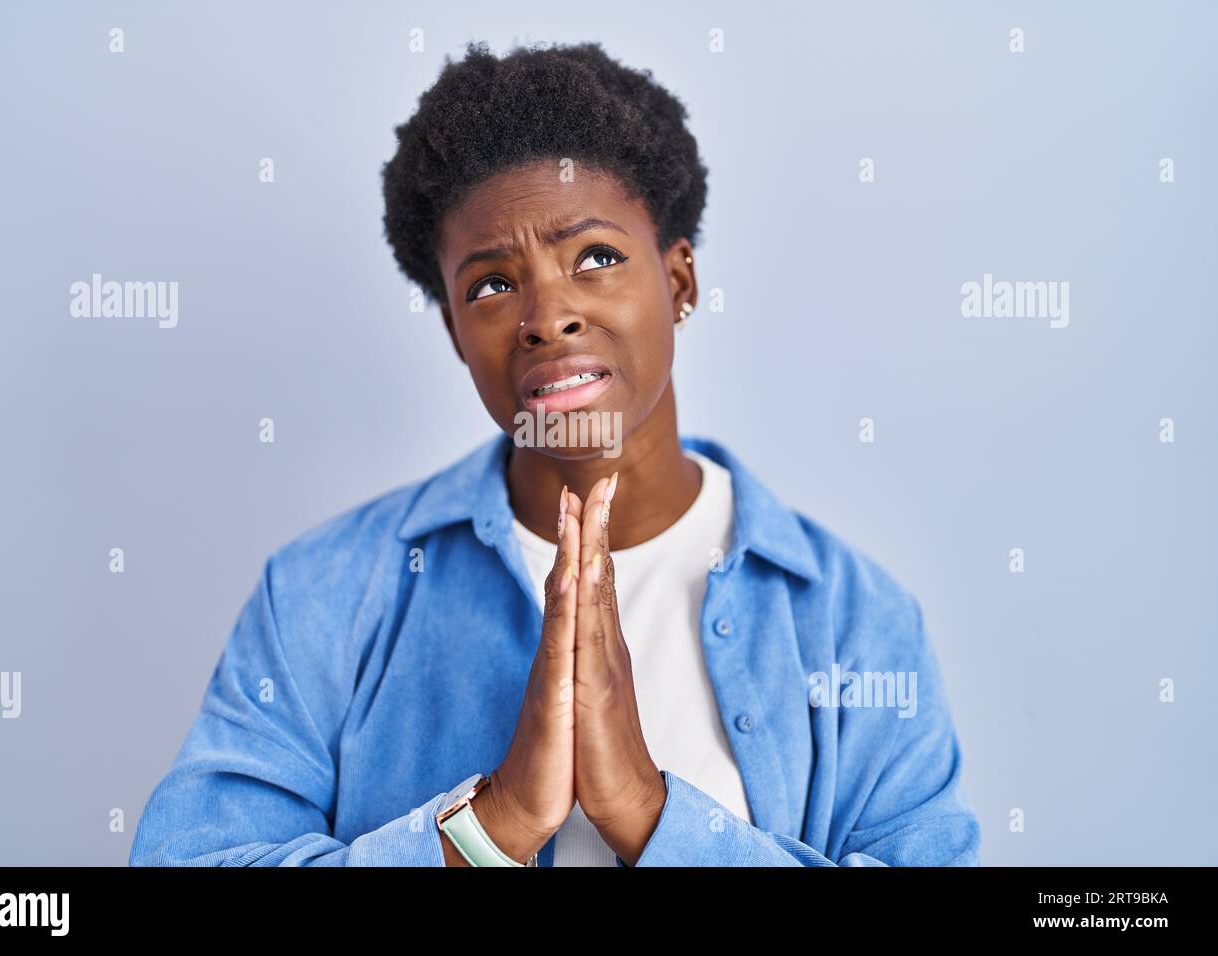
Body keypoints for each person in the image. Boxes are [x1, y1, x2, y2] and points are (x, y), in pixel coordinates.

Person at [129, 39, 981, 867]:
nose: (546, 314)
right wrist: (490, 828)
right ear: (458, 335)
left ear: (678, 281)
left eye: (596, 257)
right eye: (492, 284)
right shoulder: (322, 595)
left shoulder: (853, 620)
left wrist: (650, 817)